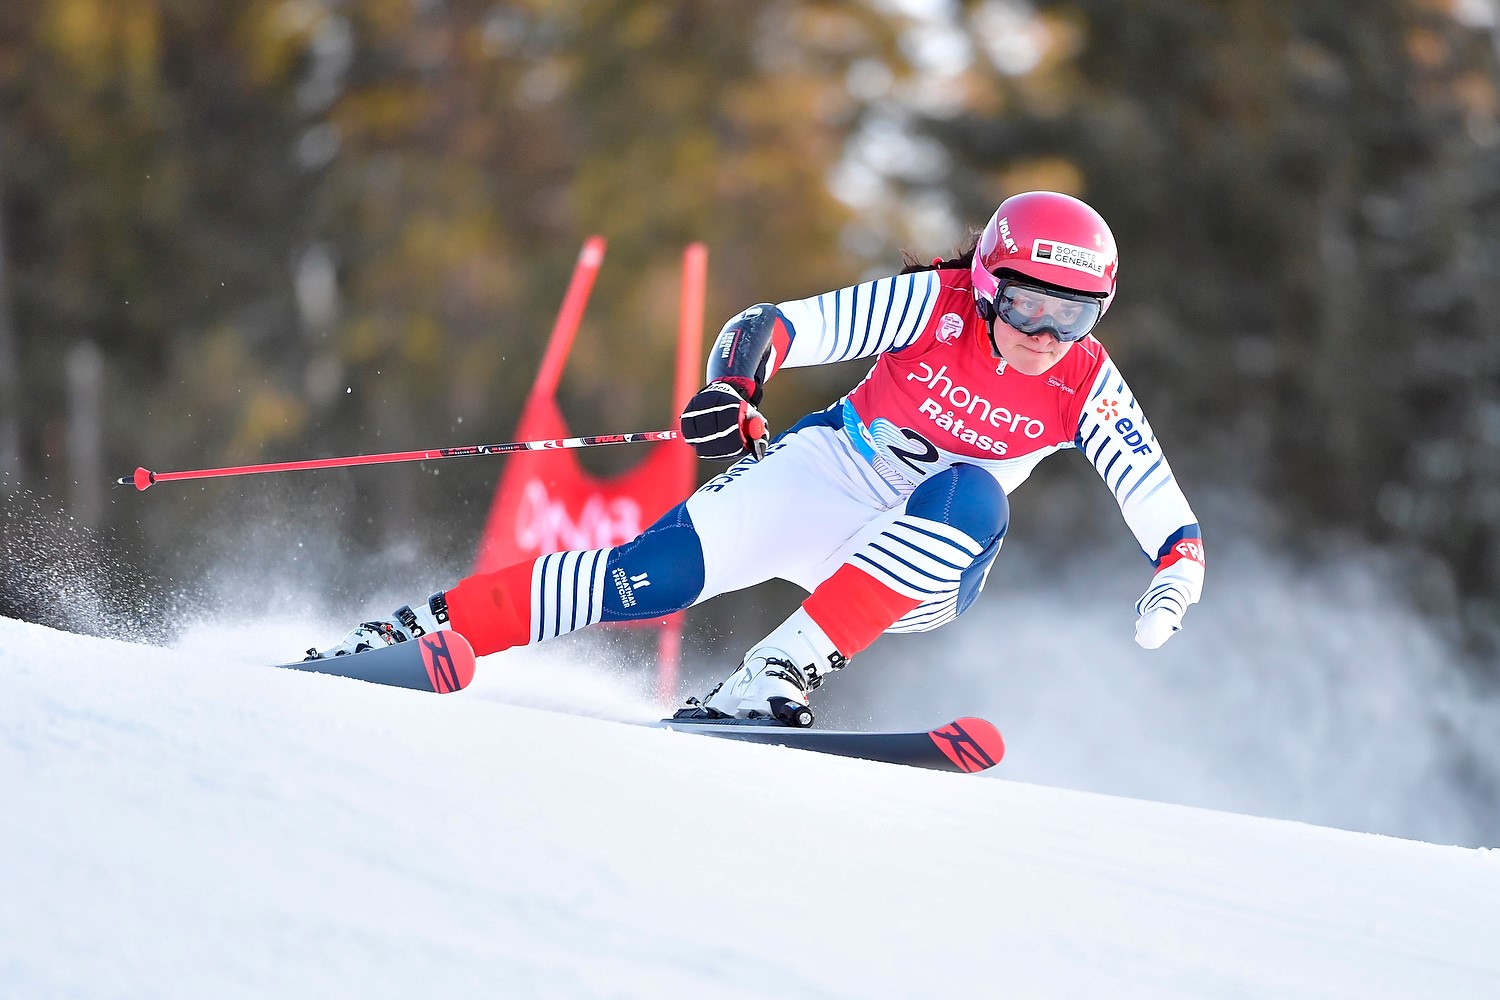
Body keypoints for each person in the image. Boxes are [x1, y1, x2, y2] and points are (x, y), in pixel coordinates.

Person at [312, 190, 1205, 727]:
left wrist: (1177, 573)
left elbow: (1159, 502)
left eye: (1077, 314)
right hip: (829, 476)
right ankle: (425, 628)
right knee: (646, 576)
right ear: (985, 286)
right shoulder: (931, 307)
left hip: (924, 561)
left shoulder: (1085, 382)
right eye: (1027, 308)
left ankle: (775, 675)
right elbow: (774, 327)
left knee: (973, 490)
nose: (1048, 335)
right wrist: (736, 388)